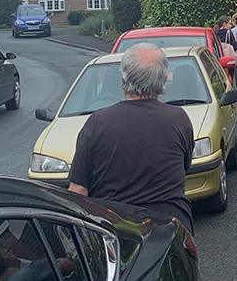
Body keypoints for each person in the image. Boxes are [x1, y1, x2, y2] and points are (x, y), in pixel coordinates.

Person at [68, 44, 195, 233]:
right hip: (171, 228)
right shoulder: (178, 119)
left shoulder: (98, 122)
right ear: (162, 81)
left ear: (123, 79)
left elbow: (78, 191)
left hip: (116, 229)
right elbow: (184, 168)